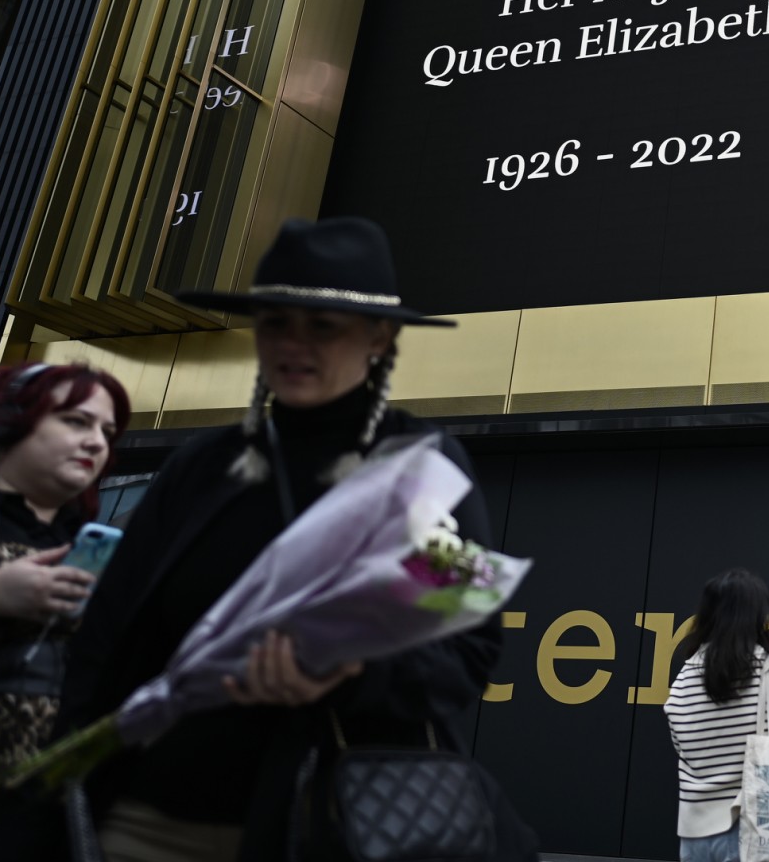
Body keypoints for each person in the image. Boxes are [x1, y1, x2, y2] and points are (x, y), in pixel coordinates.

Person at [55, 216, 532, 862]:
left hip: (328, 825)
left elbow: (467, 652)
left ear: (380, 337)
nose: (292, 343)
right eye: (275, 321)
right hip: (151, 819)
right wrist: (63, 775)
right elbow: (109, 635)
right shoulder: (202, 466)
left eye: (322, 326)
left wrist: (354, 673)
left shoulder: (423, 472)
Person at [0, 362, 130, 862]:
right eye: (75, 421)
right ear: (6, 421)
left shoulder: (83, 542)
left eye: (107, 432)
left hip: (51, 807)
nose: (96, 442)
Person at [664, 568, 769, 862]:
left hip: (692, 834)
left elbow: (681, 744)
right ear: (758, 616)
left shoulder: (685, 674)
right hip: (750, 828)